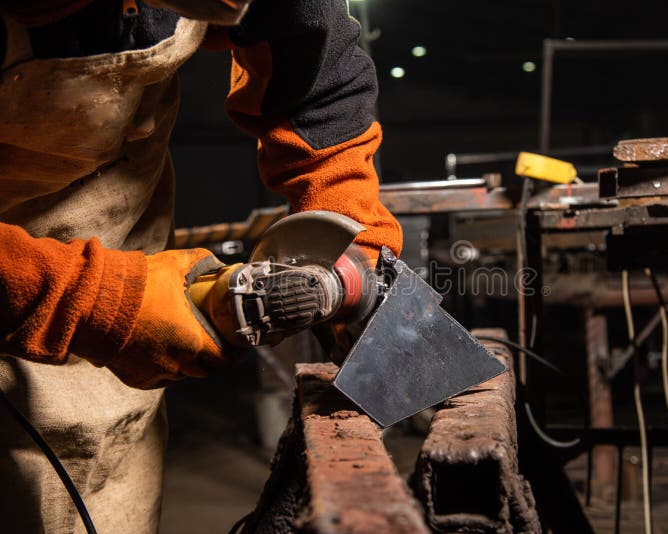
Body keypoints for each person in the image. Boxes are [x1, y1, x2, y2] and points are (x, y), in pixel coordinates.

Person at [0, 1, 402, 532]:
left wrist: (353, 230)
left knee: (96, 482)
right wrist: (97, 300)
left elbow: (318, 75)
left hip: (120, 228)